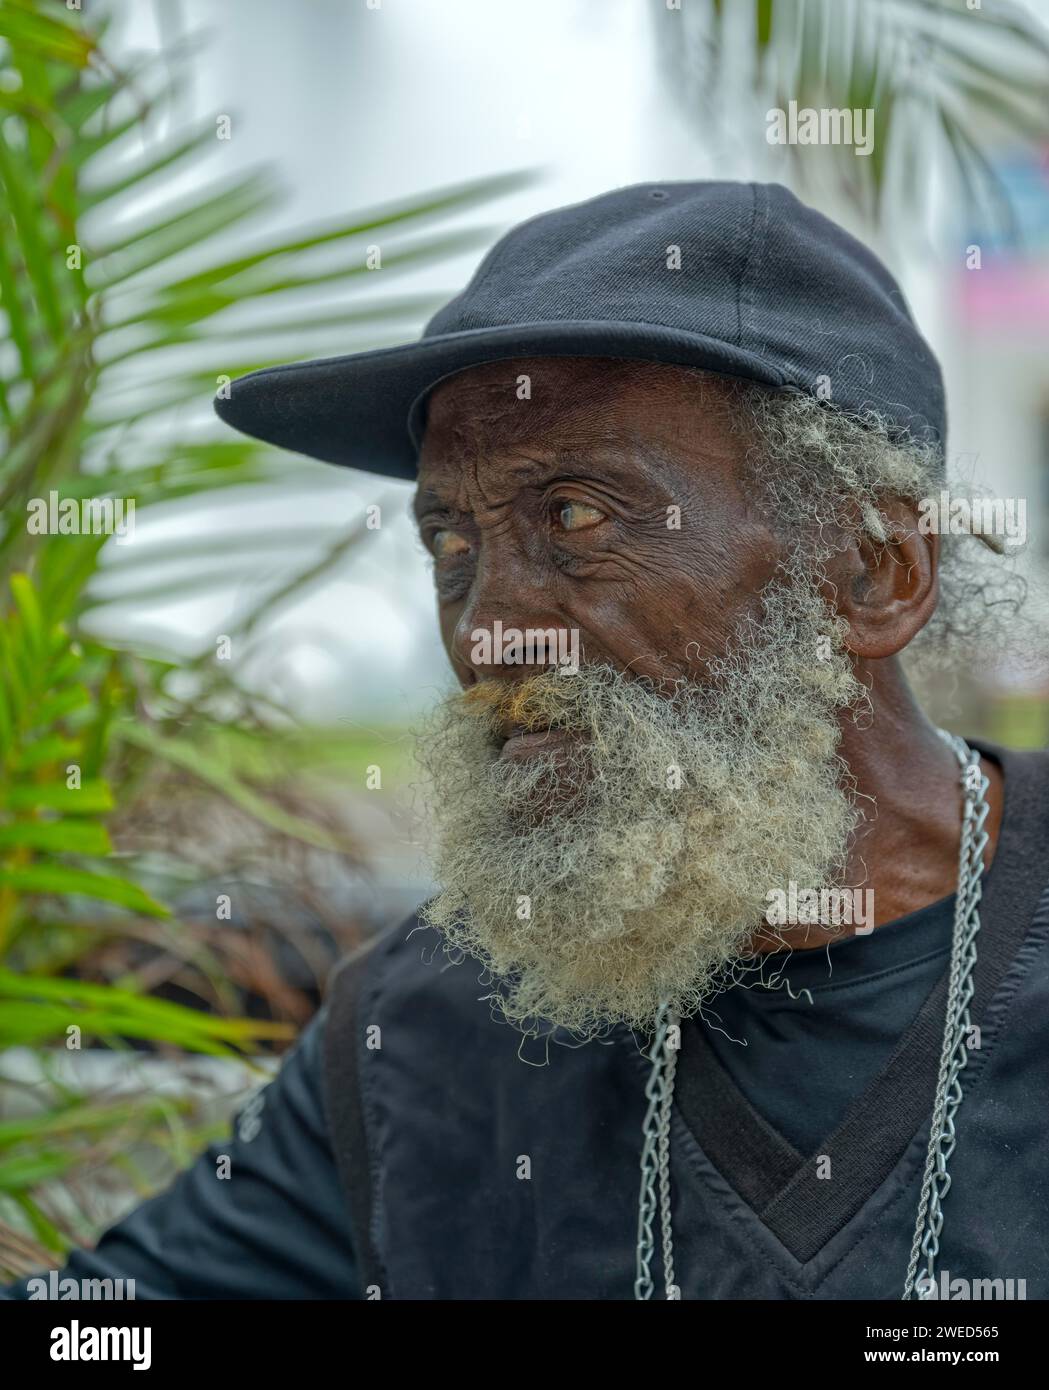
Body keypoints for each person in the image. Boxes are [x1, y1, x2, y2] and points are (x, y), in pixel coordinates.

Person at [6, 182, 1047, 1301]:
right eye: (451, 542)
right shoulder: (426, 1029)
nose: (487, 631)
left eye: (576, 517)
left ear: (868, 571)